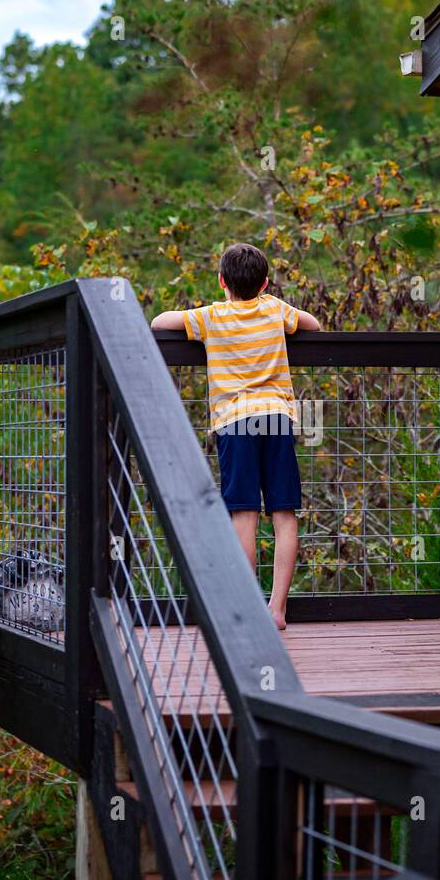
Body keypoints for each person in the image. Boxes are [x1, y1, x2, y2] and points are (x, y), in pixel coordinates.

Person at [151, 242, 321, 629]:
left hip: (235, 422)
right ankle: (277, 609)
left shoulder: (212, 317)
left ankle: (248, 606)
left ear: (221, 281)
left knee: (243, 512)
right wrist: (276, 307)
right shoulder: (276, 309)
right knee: (283, 511)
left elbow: (160, 322)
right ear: (264, 283)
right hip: (276, 418)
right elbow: (312, 324)